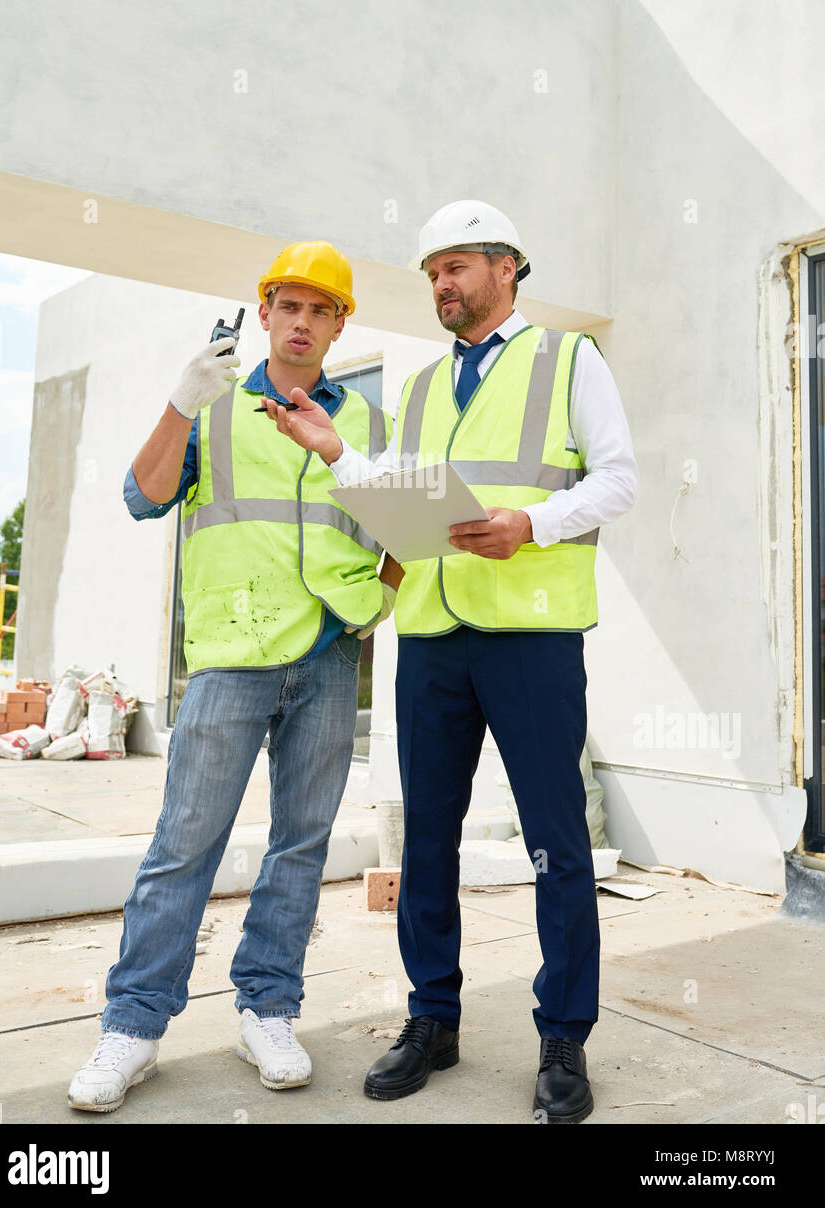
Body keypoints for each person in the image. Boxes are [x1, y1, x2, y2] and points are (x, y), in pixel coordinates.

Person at [261, 201, 638, 1123]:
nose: (441, 283)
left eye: (458, 265)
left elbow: (618, 478)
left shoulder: (566, 359)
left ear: (507, 268)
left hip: (533, 633)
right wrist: (336, 451)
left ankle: (562, 1035)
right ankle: (432, 1016)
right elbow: (397, 496)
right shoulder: (422, 384)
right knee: (425, 840)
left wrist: (531, 524)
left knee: (555, 840)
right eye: (432, 269)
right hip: (430, 636)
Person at [67, 242, 400, 1113]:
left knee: (300, 846)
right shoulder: (212, 402)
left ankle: (269, 1009)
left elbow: (403, 520)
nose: (301, 322)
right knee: (183, 847)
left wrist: (374, 607)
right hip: (229, 659)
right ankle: (133, 1025)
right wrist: (181, 403)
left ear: (339, 323)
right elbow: (142, 497)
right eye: (287, 305)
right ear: (264, 313)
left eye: (320, 309)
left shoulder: (365, 422)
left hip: (327, 658)